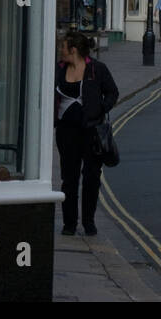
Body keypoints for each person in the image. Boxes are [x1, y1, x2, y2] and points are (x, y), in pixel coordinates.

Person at [55, 31, 119, 236]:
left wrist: (100, 108)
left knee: (91, 178)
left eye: (63, 47)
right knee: (69, 178)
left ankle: (89, 222)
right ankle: (69, 224)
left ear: (73, 49)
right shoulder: (59, 69)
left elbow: (112, 92)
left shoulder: (97, 69)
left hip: (91, 131)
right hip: (67, 132)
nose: (60, 50)